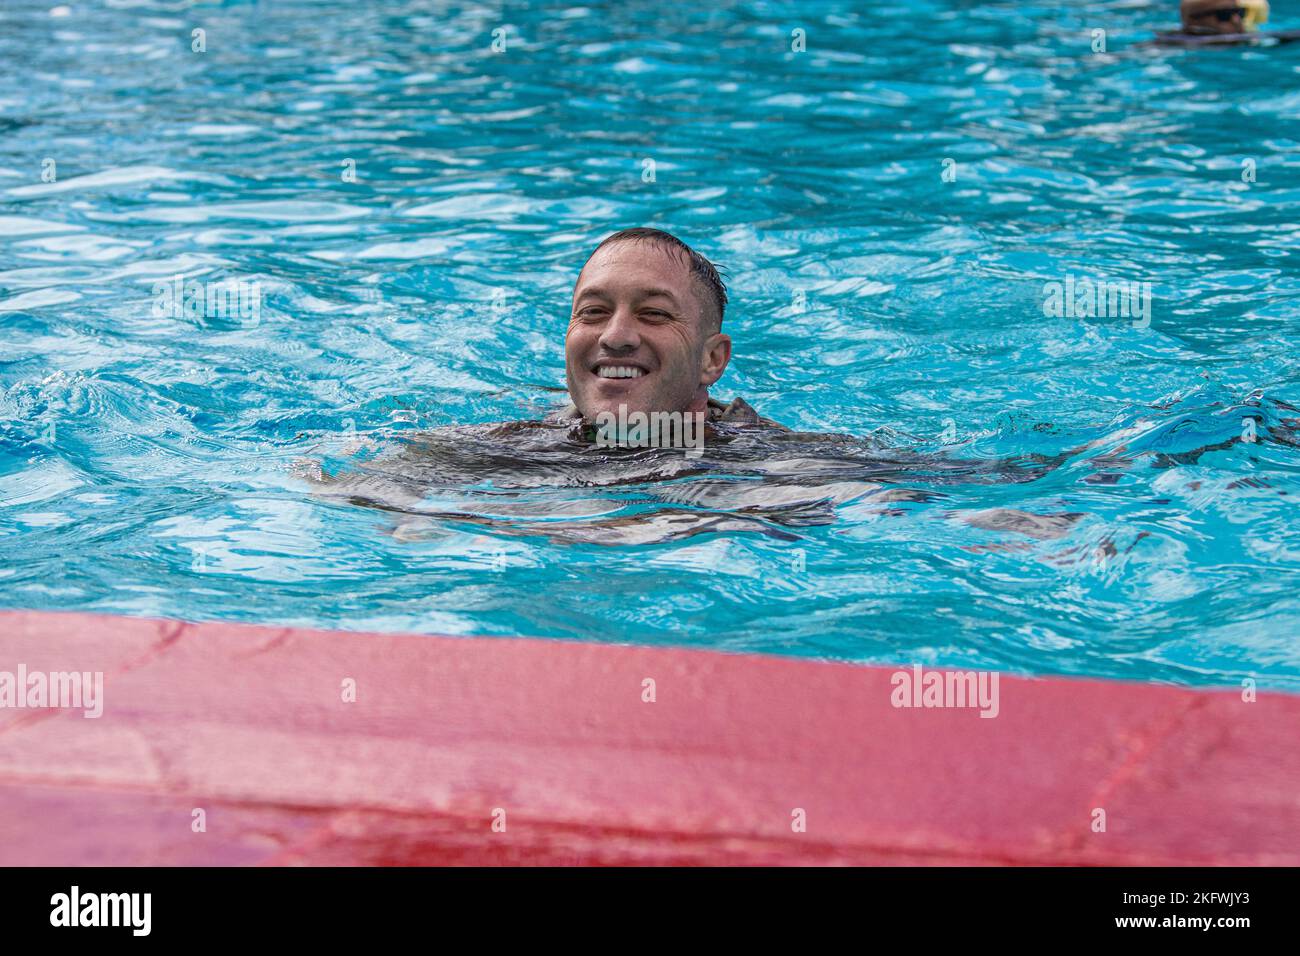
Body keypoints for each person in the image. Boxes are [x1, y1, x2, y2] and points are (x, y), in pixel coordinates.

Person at [548, 228, 786, 430]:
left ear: (712, 359)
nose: (615, 337)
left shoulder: (785, 471)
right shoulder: (521, 446)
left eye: (654, 313)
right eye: (593, 311)